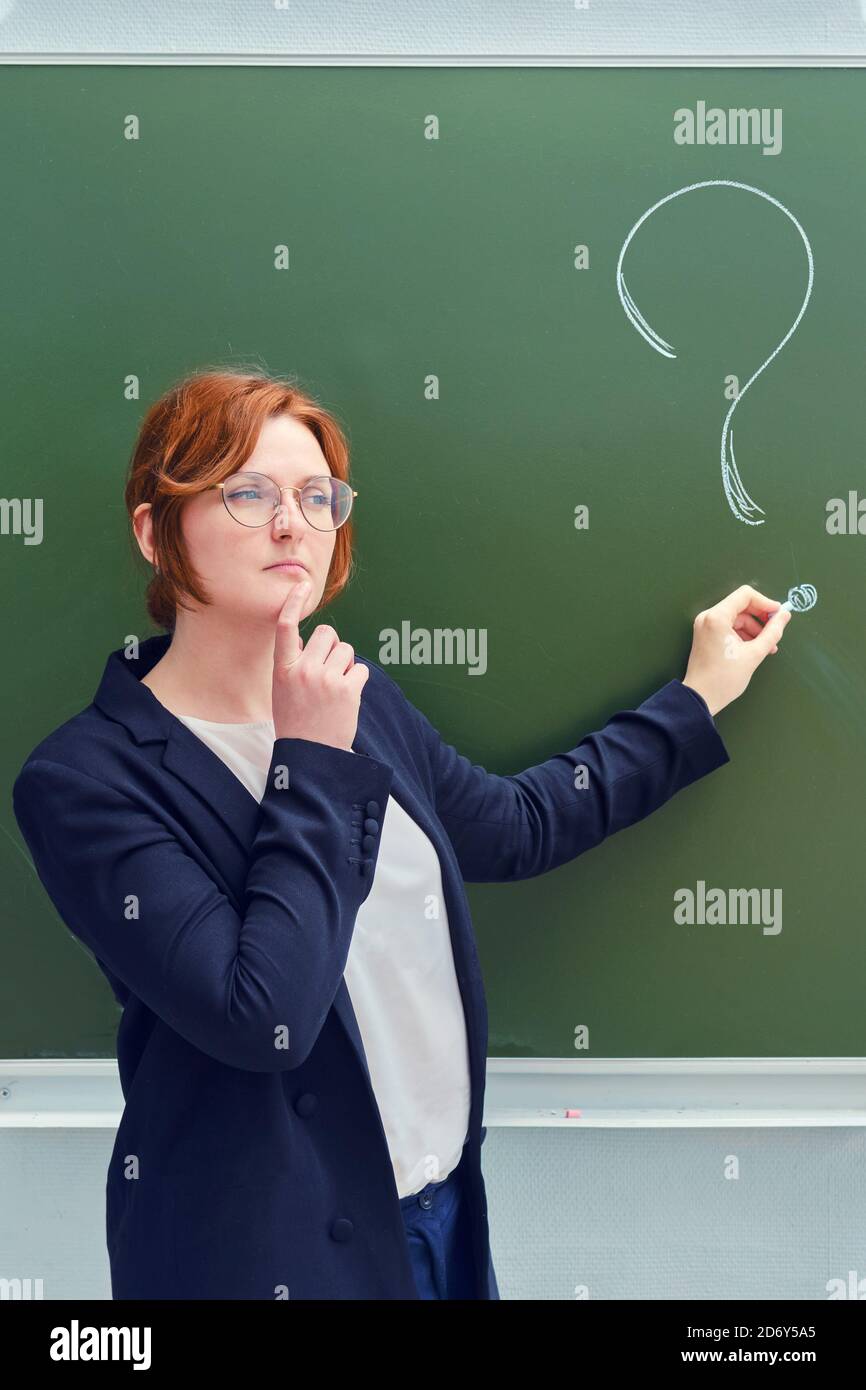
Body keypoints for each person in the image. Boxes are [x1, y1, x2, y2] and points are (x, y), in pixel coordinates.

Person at [12, 367, 791, 1300]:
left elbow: (516, 826)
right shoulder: (88, 779)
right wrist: (310, 759)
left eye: (315, 496)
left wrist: (698, 695)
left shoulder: (356, 695)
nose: (292, 523)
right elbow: (265, 1014)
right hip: (263, 1259)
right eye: (247, 493)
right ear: (154, 530)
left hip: (442, 1224)